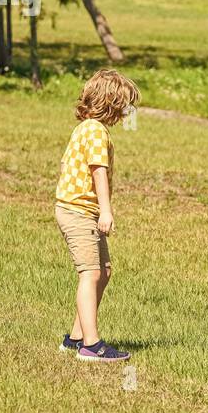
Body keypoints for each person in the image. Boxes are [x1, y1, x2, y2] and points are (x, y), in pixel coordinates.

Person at [54, 69, 139, 363]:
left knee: (104, 271)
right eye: (124, 105)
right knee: (90, 274)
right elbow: (97, 170)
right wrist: (106, 209)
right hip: (80, 211)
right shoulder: (94, 131)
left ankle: (75, 338)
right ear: (111, 102)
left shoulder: (86, 128)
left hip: (80, 211)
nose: (127, 112)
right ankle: (92, 345)